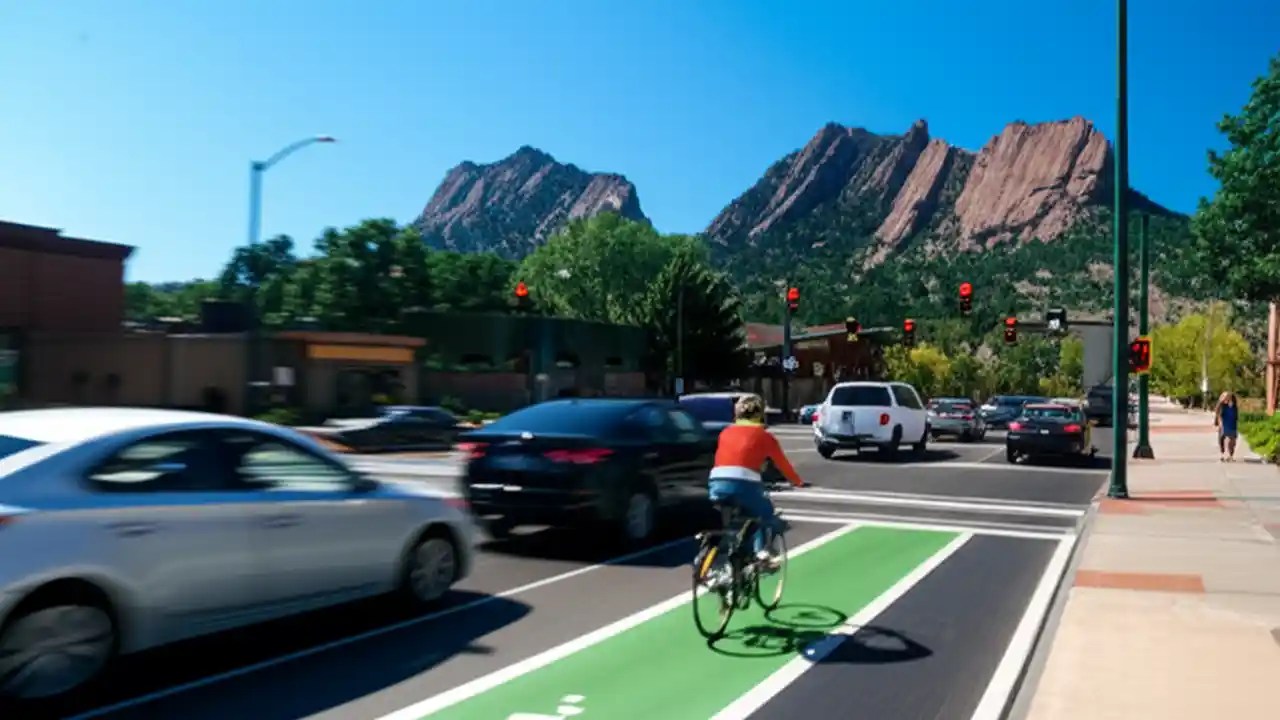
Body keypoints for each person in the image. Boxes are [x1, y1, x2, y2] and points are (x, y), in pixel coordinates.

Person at [708, 394, 807, 569]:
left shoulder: (725, 432)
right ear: (760, 414)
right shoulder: (764, 436)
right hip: (744, 484)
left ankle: (724, 562)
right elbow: (782, 464)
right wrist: (797, 482)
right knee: (763, 512)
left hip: (716, 482)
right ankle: (761, 552)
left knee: (732, 522)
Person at [1214, 391, 1239, 461]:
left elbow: (1236, 416)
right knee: (1222, 438)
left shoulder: (1234, 407)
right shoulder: (1222, 405)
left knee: (1232, 441)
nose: (1227, 398)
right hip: (1223, 424)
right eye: (1225, 397)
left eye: (1228, 397)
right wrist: (1220, 401)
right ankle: (1222, 454)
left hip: (1232, 424)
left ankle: (1230, 455)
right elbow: (1217, 412)